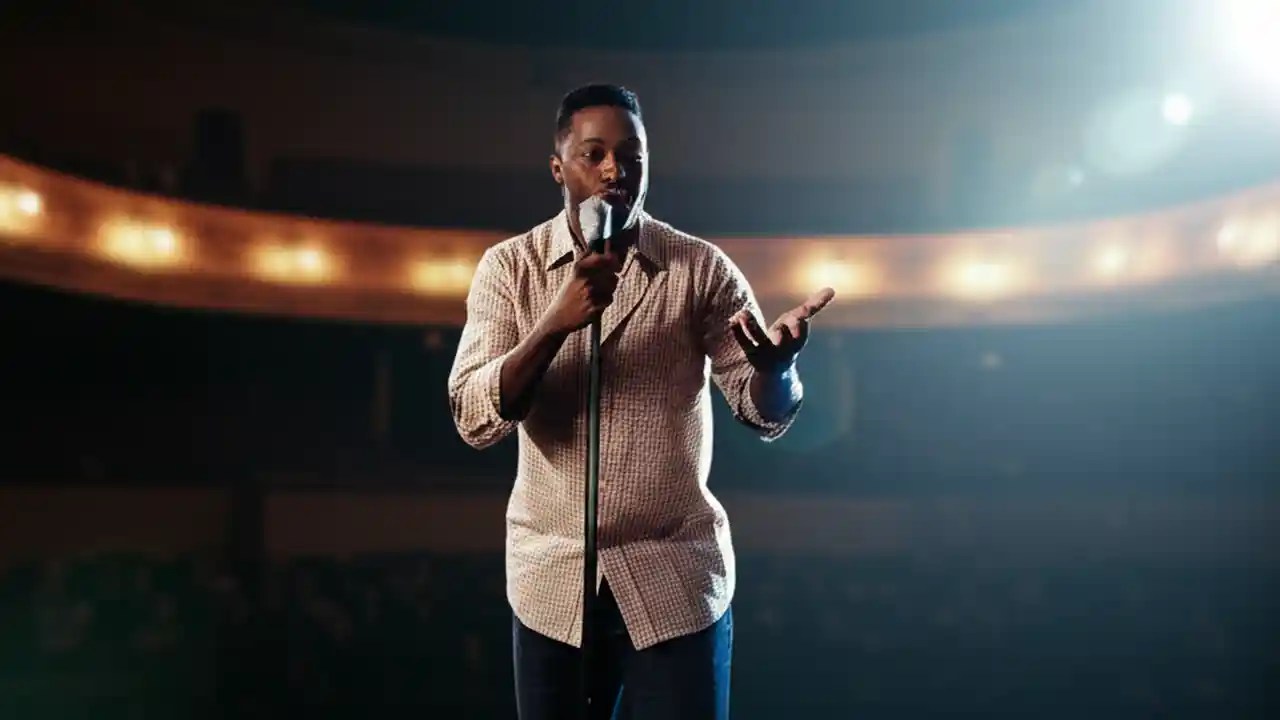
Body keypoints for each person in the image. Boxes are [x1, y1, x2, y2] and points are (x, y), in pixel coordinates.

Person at [447, 84, 835, 720]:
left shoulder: (702, 268)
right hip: (552, 583)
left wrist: (778, 371)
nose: (613, 171)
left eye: (631, 156)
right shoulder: (507, 269)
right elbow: (473, 416)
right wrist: (553, 324)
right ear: (558, 167)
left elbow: (763, 411)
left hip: (676, 581)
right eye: (593, 153)